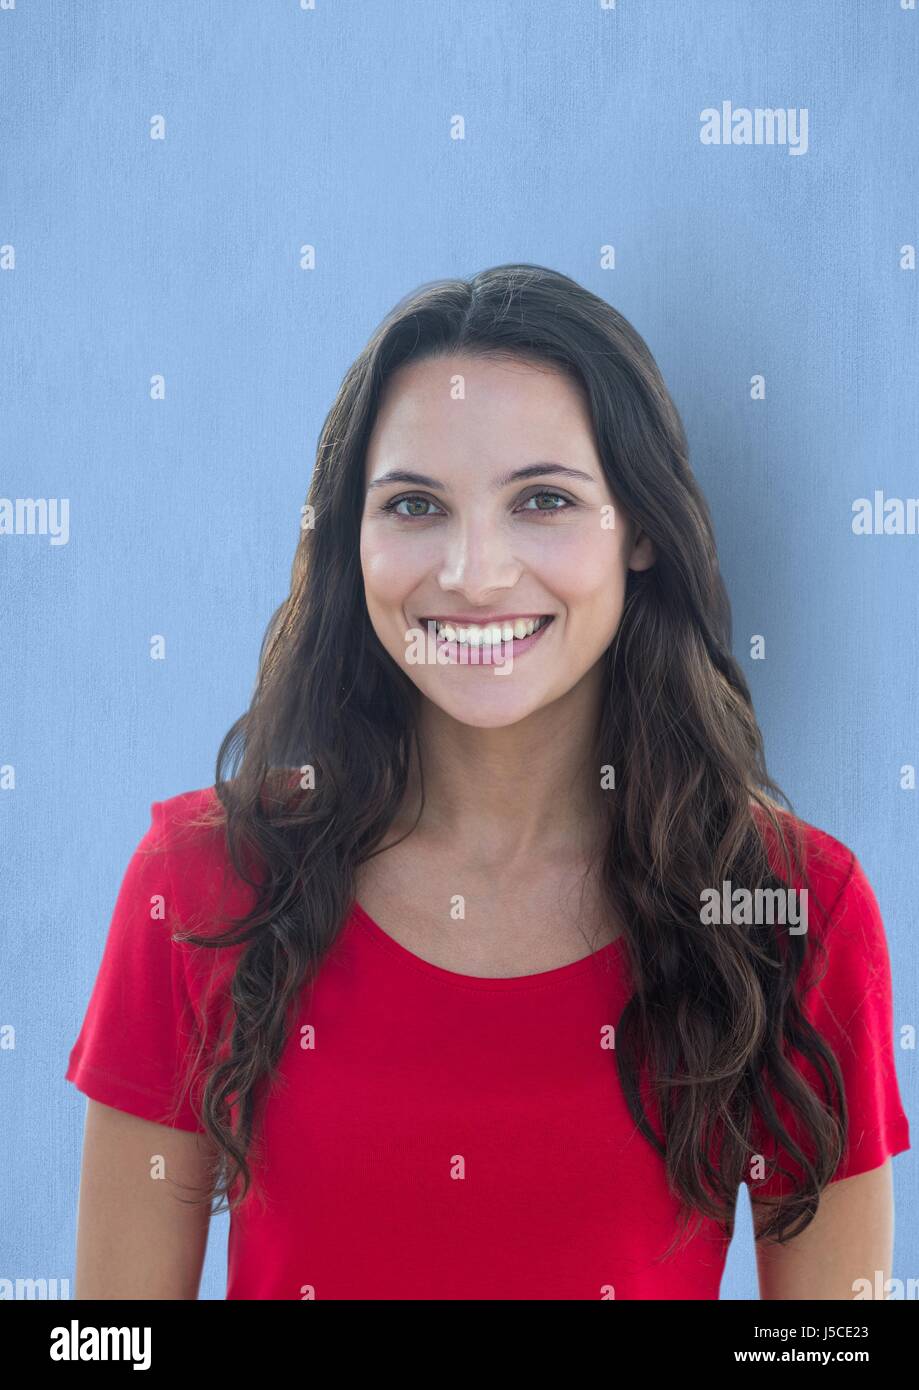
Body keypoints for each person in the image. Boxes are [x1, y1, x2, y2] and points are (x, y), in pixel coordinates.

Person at [66, 264, 910, 1300]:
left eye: (542, 500)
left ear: (640, 529)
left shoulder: (790, 911)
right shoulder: (200, 884)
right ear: (352, 539)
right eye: (416, 504)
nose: (473, 572)